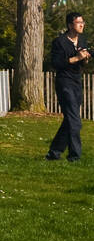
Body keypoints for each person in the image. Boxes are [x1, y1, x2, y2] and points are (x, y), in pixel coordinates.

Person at [46, 11, 89, 162]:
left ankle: (54, 153)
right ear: (70, 25)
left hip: (77, 81)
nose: (82, 25)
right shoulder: (60, 42)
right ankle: (74, 156)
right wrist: (76, 57)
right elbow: (57, 63)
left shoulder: (83, 40)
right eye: (79, 22)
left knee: (70, 119)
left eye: (83, 22)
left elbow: (82, 62)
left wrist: (84, 59)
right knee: (75, 120)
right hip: (64, 82)